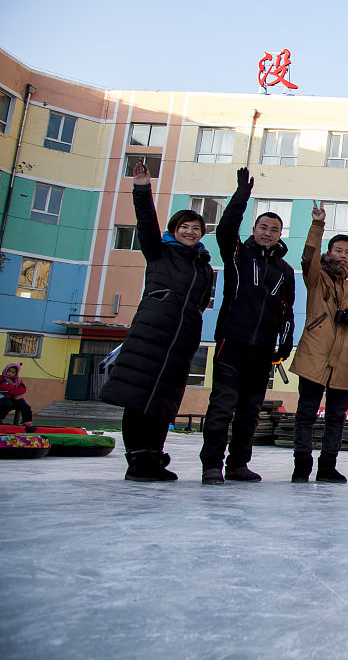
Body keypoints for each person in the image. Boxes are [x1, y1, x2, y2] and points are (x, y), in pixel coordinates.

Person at [101, 161, 214, 482]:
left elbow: (200, 304)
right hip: (150, 338)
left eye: (196, 228)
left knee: (163, 403)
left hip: (180, 344)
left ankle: (153, 457)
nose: (190, 232)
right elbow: (146, 223)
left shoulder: (204, 268)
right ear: (174, 229)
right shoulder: (160, 252)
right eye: (184, 227)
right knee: (140, 398)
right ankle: (136, 461)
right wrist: (142, 188)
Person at [200, 168, 295, 485]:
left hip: (262, 350)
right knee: (222, 407)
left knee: (250, 410)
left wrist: (285, 343)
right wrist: (242, 195)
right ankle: (211, 465)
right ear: (254, 229)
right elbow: (225, 229)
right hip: (232, 344)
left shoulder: (285, 270)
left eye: (274, 229)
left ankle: (238, 464)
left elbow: (287, 310)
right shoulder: (238, 254)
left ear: (280, 234)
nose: (268, 233)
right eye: (263, 227)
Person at [289, 202, 348, 484]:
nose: (343, 255)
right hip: (315, 354)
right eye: (338, 250)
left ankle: (327, 466)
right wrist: (317, 225)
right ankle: (301, 465)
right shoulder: (317, 277)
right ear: (329, 252)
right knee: (306, 412)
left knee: (336, 416)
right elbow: (308, 257)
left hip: (345, 358)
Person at [0, 362, 33, 429]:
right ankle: (0, 419)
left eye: (13, 372)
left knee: (26, 407)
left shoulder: (18, 380)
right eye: (9, 371)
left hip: (15, 398)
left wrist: (12, 391)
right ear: (6, 370)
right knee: (6, 404)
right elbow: (2, 387)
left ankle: (27, 422)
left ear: (16, 373)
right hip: (3, 397)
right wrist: (12, 388)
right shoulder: (1, 378)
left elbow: (22, 389)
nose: (10, 373)